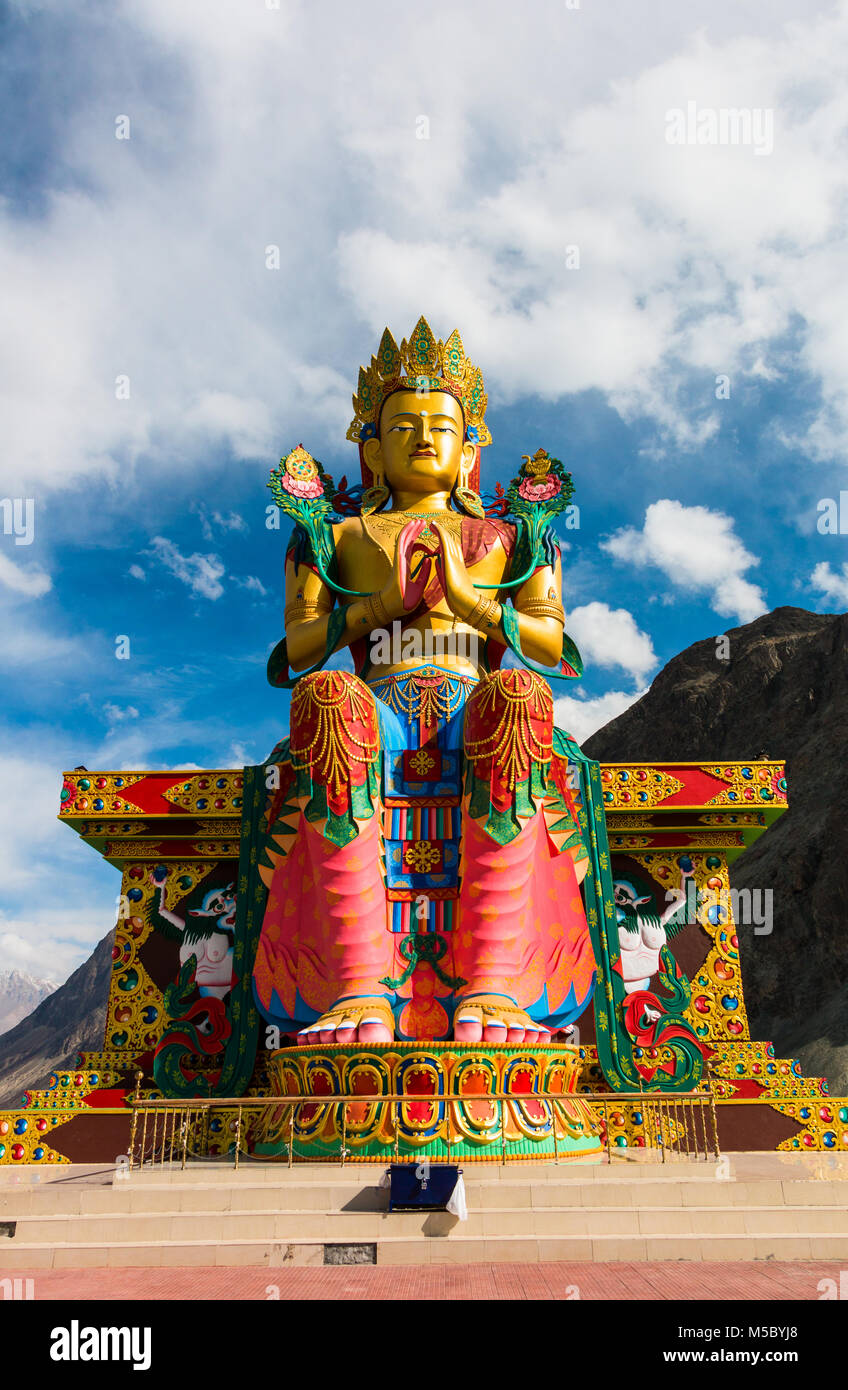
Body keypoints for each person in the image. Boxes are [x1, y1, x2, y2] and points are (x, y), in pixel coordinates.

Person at [252, 319, 595, 1046]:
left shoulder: (509, 539)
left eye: (442, 425)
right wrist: (379, 609)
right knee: (326, 699)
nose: (422, 437)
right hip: (376, 698)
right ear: (372, 450)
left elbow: (551, 644)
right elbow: (299, 651)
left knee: (520, 698)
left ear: (469, 447)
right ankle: (357, 989)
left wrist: (472, 604)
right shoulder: (336, 536)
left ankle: (494, 983)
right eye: (401, 426)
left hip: (476, 699)